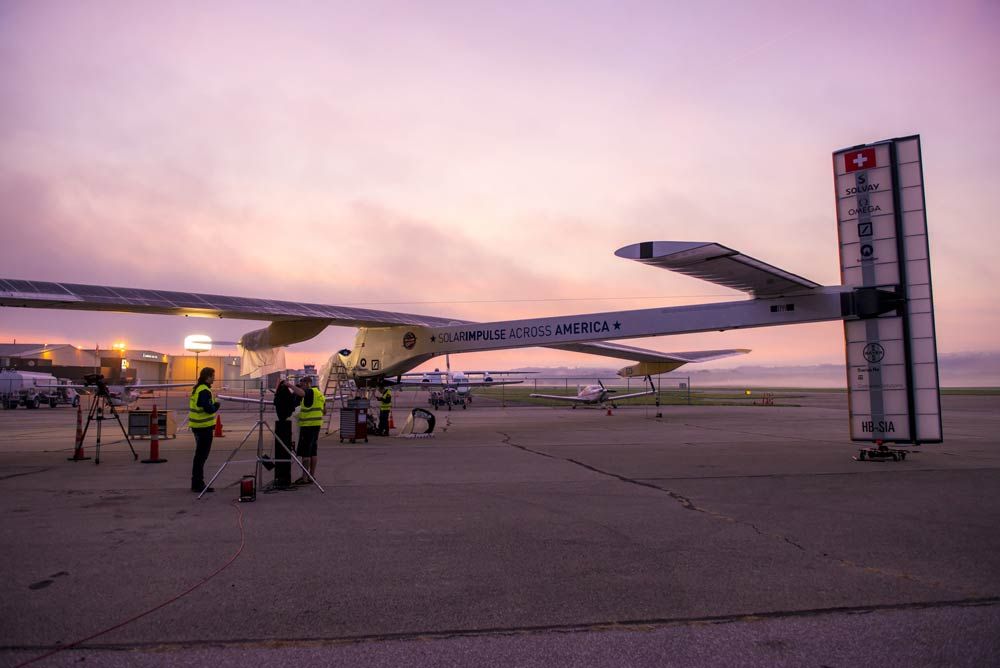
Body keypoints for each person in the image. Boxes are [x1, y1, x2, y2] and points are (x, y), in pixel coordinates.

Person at [189, 367, 221, 493]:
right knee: (201, 457)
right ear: (208, 377)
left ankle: (196, 482)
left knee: (199, 456)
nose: (214, 378)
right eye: (213, 376)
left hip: (197, 427)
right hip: (203, 428)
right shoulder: (204, 390)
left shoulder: (198, 388)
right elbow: (208, 409)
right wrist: (216, 405)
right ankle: (198, 483)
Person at [291, 376, 324, 485]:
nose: (301, 387)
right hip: (316, 426)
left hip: (308, 426)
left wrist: (289, 385)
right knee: (313, 452)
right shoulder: (319, 394)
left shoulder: (309, 392)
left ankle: (304, 478)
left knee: (306, 453)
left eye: (302, 385)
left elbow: (301, 393)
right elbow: (324, 411)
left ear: (307, 383)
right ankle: (311, 476)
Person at [272, 377, 302, 488]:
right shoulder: (290, 398)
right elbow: (293, 407)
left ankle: (280, 476)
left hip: (281, 425)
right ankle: (286, 477)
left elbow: (276, 401)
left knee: (281, 451)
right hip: (288, 425)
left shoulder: (278, 397)